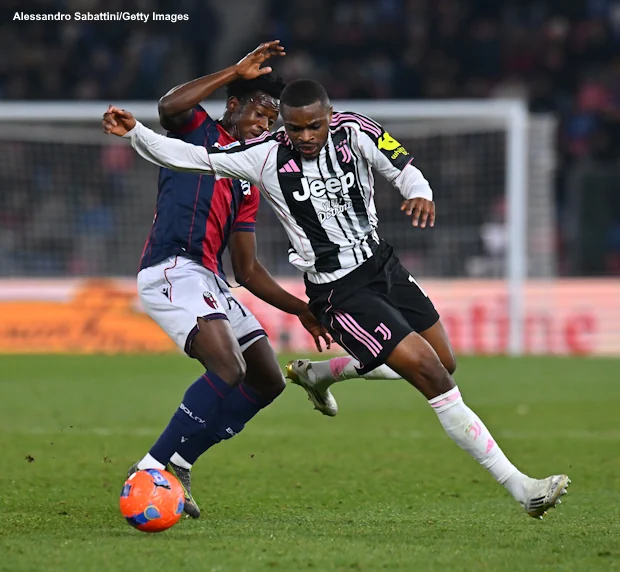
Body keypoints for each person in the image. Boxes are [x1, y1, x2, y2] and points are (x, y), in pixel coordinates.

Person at [102, 79, 570, 519]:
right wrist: (137, 133)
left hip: (383, 265)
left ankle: (323, 373)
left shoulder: (356, 130)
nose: (305, 136)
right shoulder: (264, 155)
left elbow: (401, 165)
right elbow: (188, 156)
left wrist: (420, 193)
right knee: (431, 374)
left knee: (444, 360)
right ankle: (521, 488)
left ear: (329, 115)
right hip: (338, 290)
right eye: (295, 128)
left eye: (314, 125)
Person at [117, 44, 332, 519]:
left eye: (272, 121)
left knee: (267, 379)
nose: (264, 126)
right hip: (171, 268)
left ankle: (180, 462)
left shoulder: (248, 177)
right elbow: (169, 106)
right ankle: (150, 468)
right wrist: (235, 71)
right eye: (259, 113)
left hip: (210, 278)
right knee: (228, 367)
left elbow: (247, 270)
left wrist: (301, 308)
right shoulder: (197, 131)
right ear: (233, 105)